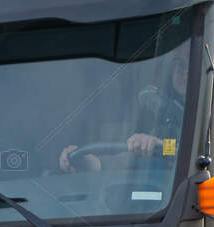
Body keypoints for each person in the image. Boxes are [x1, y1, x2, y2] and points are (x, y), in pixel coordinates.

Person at [60, 50, 189, 173]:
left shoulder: (206, 114)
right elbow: (129, 159)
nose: (184, 71)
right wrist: (89, 162)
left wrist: (157, 145)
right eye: (178, 64)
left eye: (189, 64)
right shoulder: (166, 120)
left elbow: (187, 151)